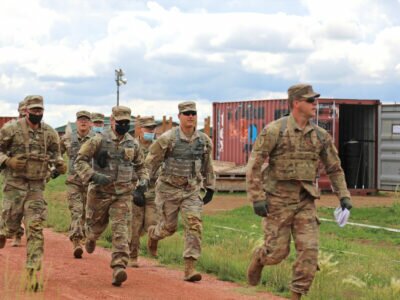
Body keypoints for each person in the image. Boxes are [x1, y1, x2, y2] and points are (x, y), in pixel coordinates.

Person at [246, 83, 353, 300]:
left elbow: (334, 168)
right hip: (277, 201)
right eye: (311, 101)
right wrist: (257, 198)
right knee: (277, 253)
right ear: (296, 103)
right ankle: (260, 258)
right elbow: (254, 165)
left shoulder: (321, 136)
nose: (315, 105)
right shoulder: (275, 130)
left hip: (305, 200)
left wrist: (344, 195)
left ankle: (296, 296)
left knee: (310, 252)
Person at [74, 106, 148, 286]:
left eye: (126, 122)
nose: (123, 125)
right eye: (120, 122)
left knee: (121, 230)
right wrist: (93, 175)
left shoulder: (133, 143)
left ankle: (119, 267)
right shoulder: (98, 140)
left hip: (122, 194)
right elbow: (79, 161)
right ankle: (90, 237)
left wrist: (143, 184)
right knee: (95, 227)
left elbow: (141, 167)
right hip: (100, 193)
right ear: (112, 121)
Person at [0, 95, 66, 291]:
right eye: (34, 110)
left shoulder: (50, 133)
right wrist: (7, 161)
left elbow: (56, 155)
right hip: (14, 187)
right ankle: (4, 232)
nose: (37, 113)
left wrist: (59, 165)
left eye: (40, 110)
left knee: (35, 229)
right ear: (26, 110)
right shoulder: (11, 129)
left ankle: (32, 272)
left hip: (37, 188)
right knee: (7, 229)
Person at [146, 101, 215, 282]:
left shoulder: (204, 141)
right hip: (168, 190)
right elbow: (151, 161)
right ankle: (153, 235)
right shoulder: (168, 139)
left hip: (191, 190)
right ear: (179, 117)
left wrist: (210, 186)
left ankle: (189, 268)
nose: (190, 116)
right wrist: (142, 184)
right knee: (169, 228)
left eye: (193, 113)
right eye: (187, 113)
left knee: (194, 224)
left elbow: (208, 165)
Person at [60, 111, 95, 258]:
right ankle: (76, 242)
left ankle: (88, 236)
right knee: (77, 211)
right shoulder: (68, 138)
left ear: (90, 123)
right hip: (73, 182)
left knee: (89, 215)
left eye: (86, 120)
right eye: (81, 120)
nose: (83, 122)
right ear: (76, 122)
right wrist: (58, 165)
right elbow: (56, 153)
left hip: (91, 183)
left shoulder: (96, 139)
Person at [128, 116, 160, 268]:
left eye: (153, 128)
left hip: (153, 190)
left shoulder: (159, 146)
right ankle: (133, 256)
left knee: (152, 223)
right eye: (148, 128)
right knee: (134, 225)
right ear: (140, 129)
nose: (150, 131)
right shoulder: (131, 145)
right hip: (135, 190)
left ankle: (152, 239)